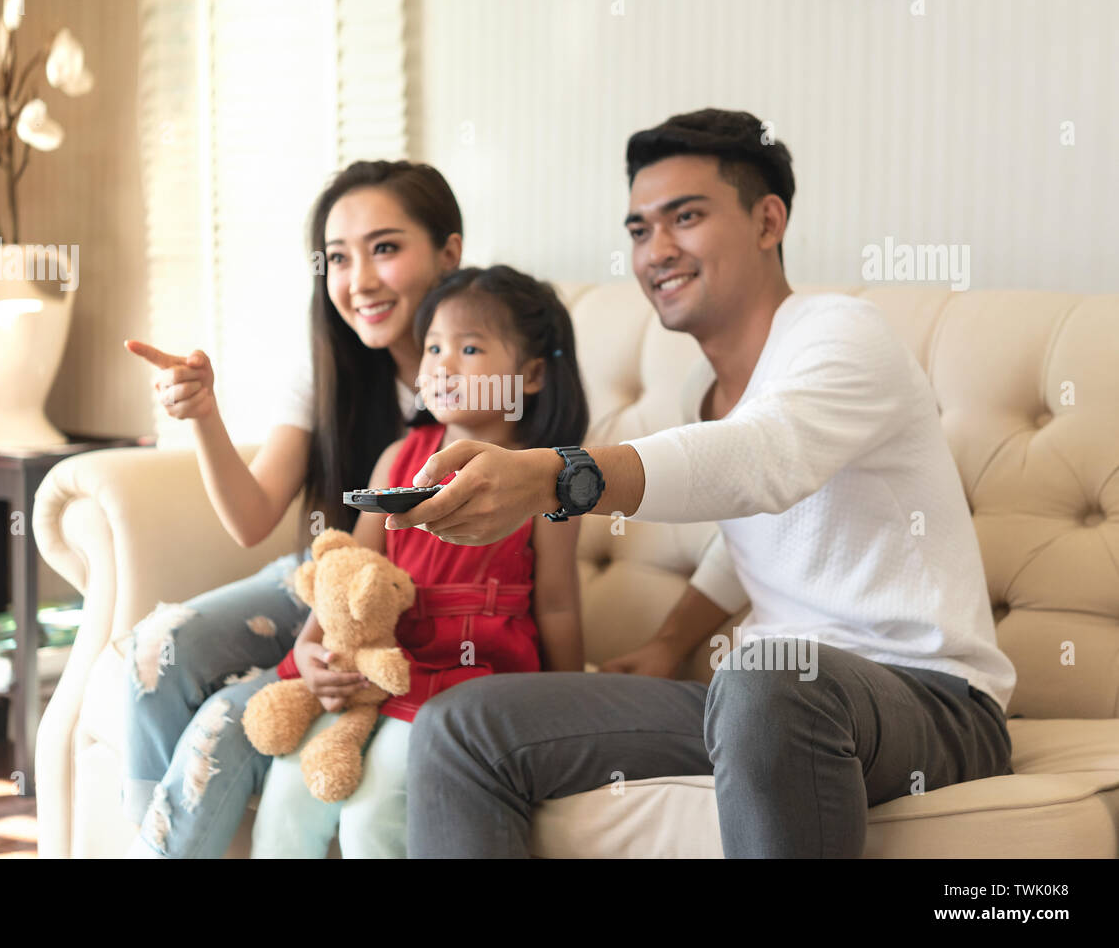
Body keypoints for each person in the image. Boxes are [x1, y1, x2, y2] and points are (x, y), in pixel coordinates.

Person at [386, 108, 1017, 858]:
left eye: (685, 217)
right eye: (639, 230)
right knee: (464, 724)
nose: (657, 249)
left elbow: (764, 460)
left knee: (767, 679)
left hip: (931, 700)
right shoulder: (700, 391)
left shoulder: (841, 333)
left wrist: (557, 476)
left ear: (767, 221)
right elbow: (753, 536)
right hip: (764, 701)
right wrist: (665, 645)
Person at [118, 160, 463, 858]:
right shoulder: (328, 362)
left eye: (385, 248)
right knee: (156, 648)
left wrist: (318, 646)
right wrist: (205, 414)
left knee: (225, 719)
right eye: (339, 257)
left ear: (449, 252)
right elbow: (251, 517)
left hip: (412, 604)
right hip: (322, 581)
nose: (359, 279)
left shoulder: (484, 361)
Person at [250, 265, 589, 857]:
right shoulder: (397, 458)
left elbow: (558, 603)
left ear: (532, 374)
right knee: (288, 791)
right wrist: (307, 647)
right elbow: (349, 568)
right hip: (382, 666)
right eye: (433, 346)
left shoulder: (546, 478)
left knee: (375, 810)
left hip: (473, 681)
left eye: (469, 347)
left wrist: (568, 707)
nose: (442, 364)